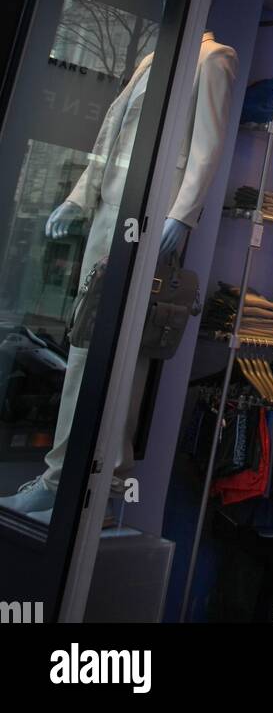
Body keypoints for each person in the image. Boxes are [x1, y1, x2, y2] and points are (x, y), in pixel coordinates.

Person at [0, 30, 237, 521]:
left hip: (152, 218)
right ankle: (60, 478)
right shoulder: (151, 57)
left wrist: (182, 214)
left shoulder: (213, 59)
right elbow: (110, 135)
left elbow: (208, 145)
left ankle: (101, 485)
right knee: (86, 344)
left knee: (130, 354)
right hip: (111, 213)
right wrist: (78, 198)